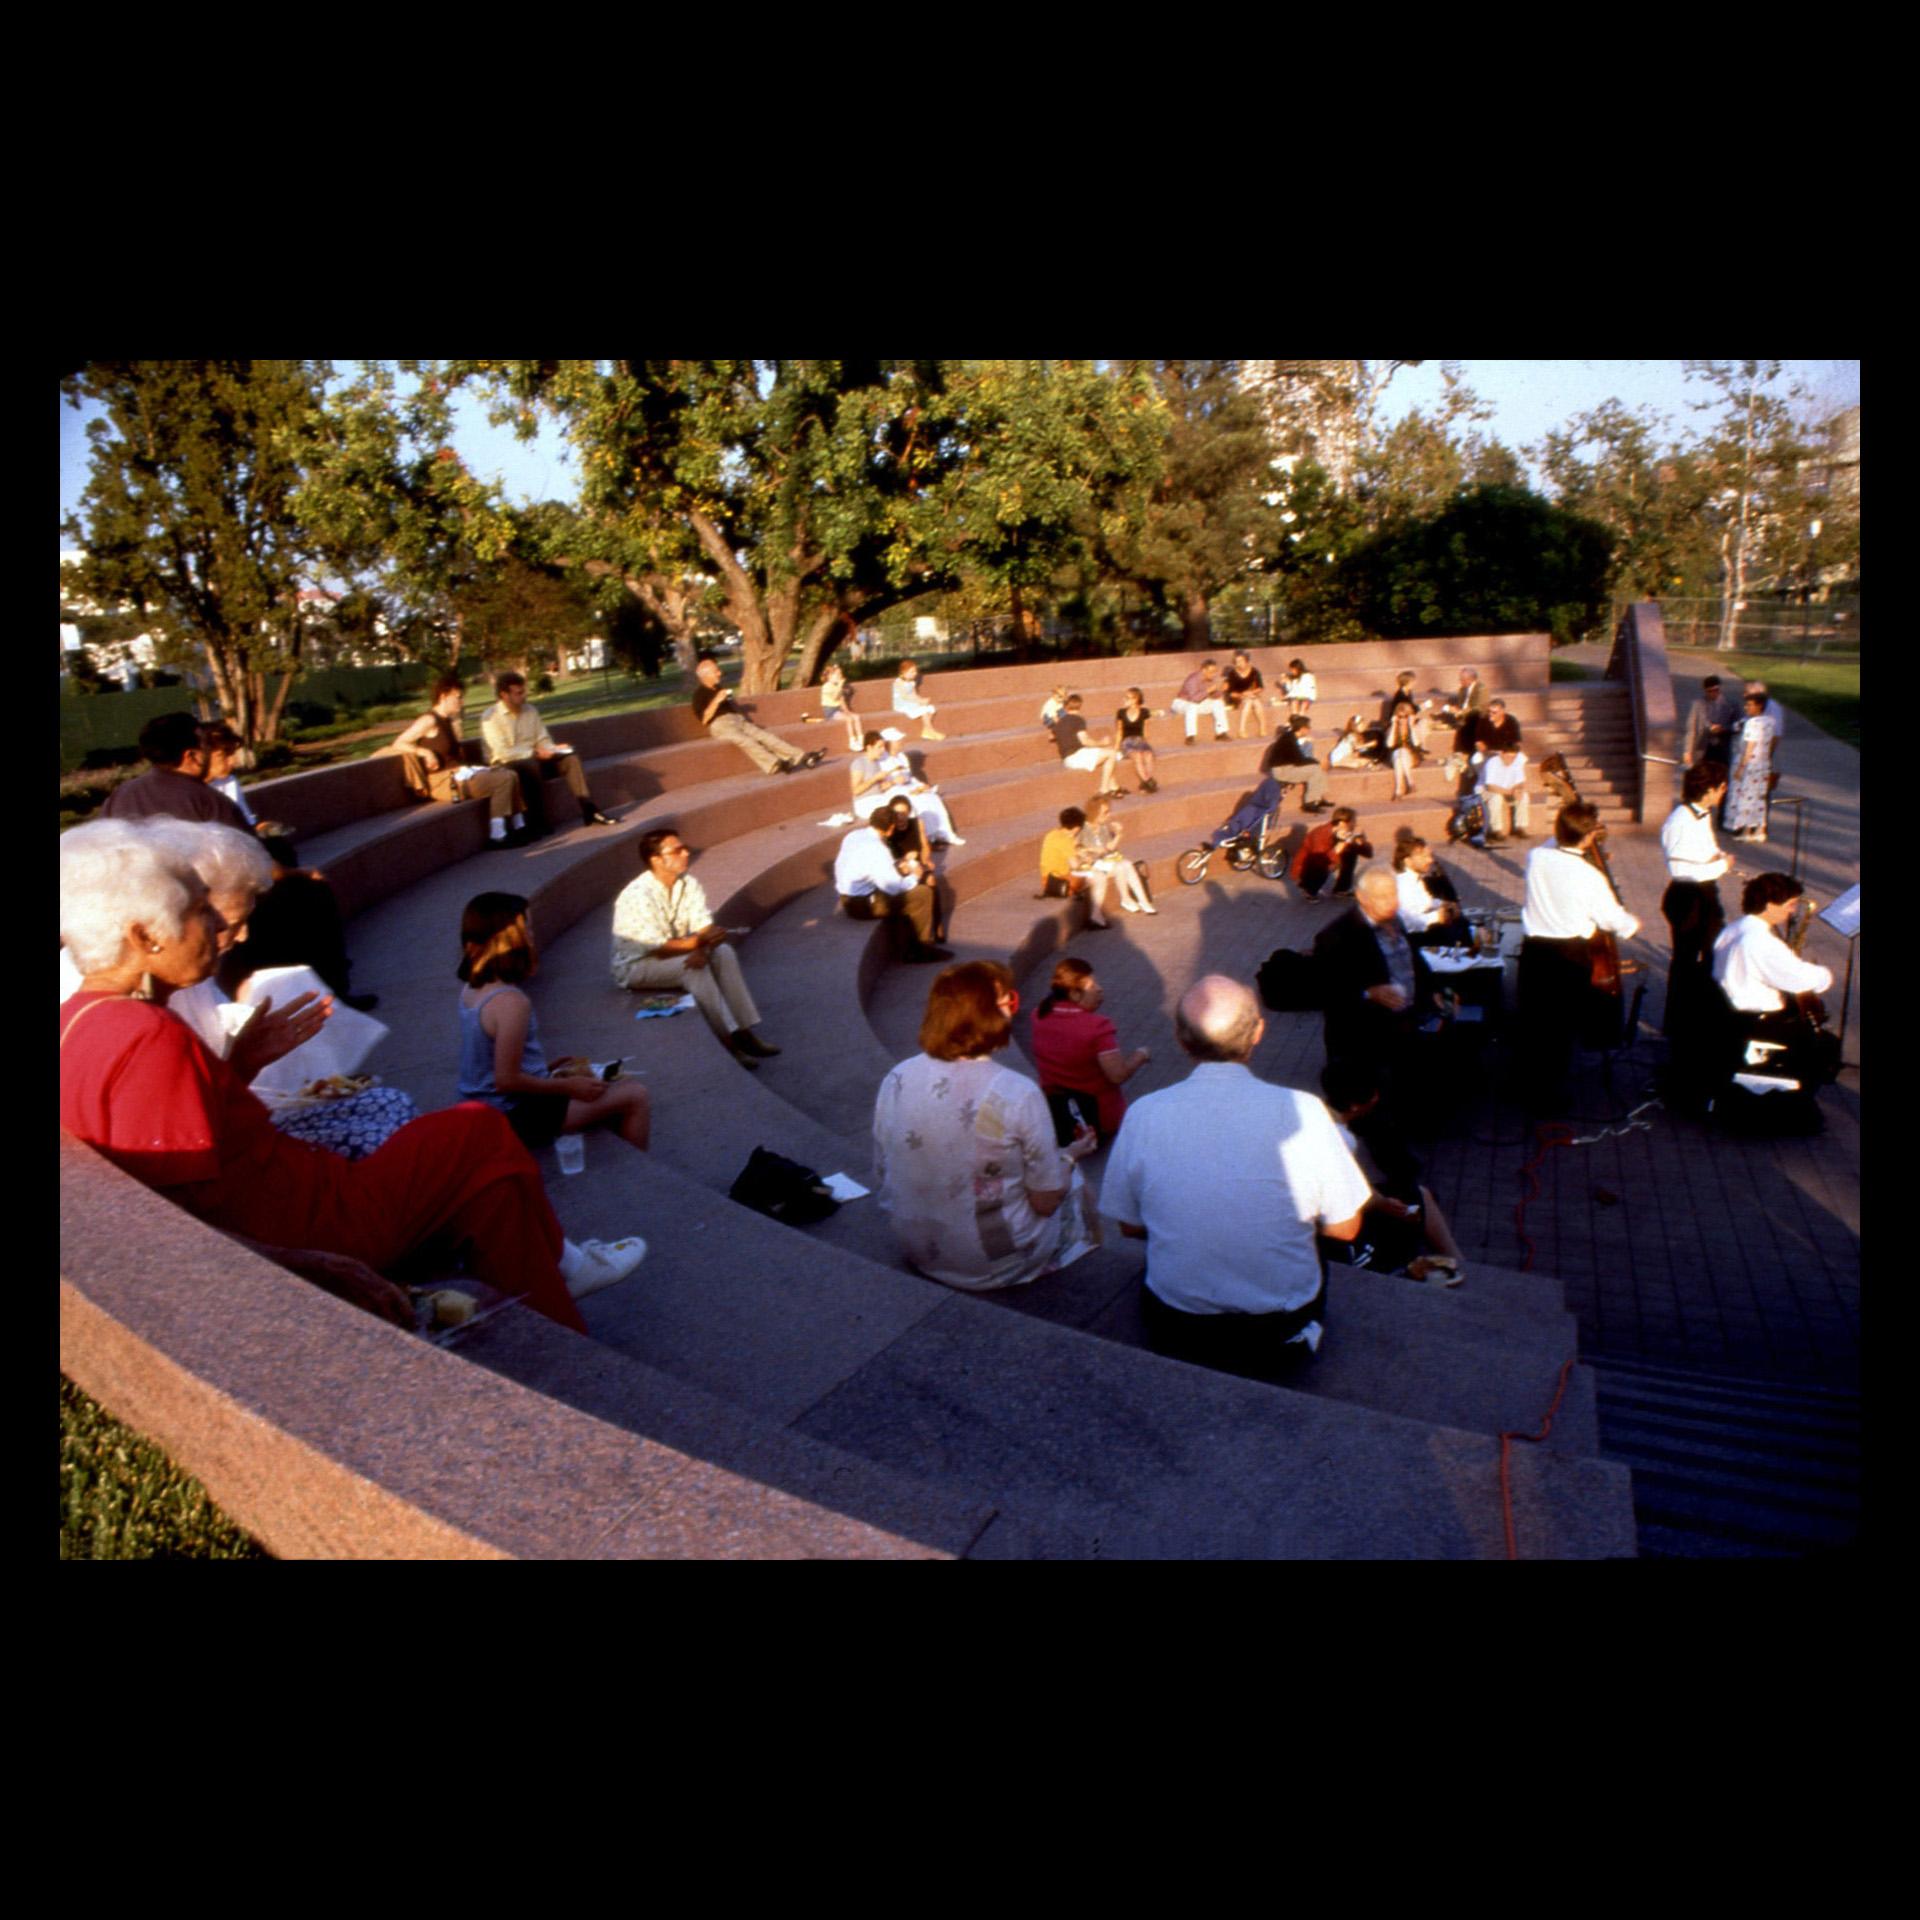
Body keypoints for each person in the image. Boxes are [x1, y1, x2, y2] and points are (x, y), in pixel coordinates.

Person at [59, 826, 627, 1333]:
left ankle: (556, 1315)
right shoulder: (148, 1037)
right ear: (146, 936)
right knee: (476, 1130)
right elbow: (174, 1221)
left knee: (490, 1186)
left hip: (298, 1198)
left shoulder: (80, 1019)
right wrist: (308, 1266)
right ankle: (562, 1287)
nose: (221, 926)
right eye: (200, 911)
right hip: (316, 1223)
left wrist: (241, 1063)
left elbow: (187, 1136)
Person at [1100, 975, 1369, 1380]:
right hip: (1280, 1330)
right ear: (1258, 1032)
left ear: (1180, 1040)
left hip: (1176, 1324)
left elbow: (1130, 1226)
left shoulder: (1143, 1113)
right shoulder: (1305, 1111)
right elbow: (1345, 1229)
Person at [114, 820, 420, 1159]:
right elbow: (187, 1134)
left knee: (395, 1105)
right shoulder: (137, 1018)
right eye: (222, 921)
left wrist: (245, 1056)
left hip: (236, 1126)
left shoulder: (181, 978)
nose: (242, 935)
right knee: (404, 1143)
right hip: (230, 1155)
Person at [103, 711, 373, 1011]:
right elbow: (257, 867)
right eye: (204, 745)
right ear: (192, 756)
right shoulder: (206, 799)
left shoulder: (120, 796)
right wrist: (300, 874)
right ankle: (334, 995)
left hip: (145, 906)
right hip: (206, 906)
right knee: (311, 895)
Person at [873, 959, 1098, 1290]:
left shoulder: (898, 1076)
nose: (1014, 1010)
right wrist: (1070, 1156)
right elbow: (1045, 1202)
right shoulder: (1017, 1092)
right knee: (1072, 1180)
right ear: (990, 1015)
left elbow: (883, 1168)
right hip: (993, 1262)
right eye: (1010, 1001)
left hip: (916, 1244)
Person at [458, 892, 654, 1166]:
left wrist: (544, 1069)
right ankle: (637, 1171)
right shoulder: (511, 1002)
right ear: (511, 940)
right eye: (527, 929)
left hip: (480, 1104)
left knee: (600, 1084)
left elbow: (492, 1062)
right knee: (635, 1095)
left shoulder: (473, 988)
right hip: (510, 1115)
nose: (532, 936)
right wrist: (566, 1086)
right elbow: (505, 1080)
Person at [610, 829, 783, 1066]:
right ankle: (727, 1040)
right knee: (693, 969)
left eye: (685, 848)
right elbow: (658, 947)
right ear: (656, 860)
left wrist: (701, 949)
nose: (685, 853)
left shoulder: (688, 883)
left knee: (723, 952)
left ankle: (745, 1032)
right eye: (677, 850)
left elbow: (704, 927)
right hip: (637, 964)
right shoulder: (638, 895)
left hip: (677, 950)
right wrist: (698, 945)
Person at [1517, 801, 1642, 1109]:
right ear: (1588, 837)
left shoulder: (1537, 857)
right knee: (1561, 1028)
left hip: (1534, 951)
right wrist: (1633, 924)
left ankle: (1526, 1085)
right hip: (1569, 954)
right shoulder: (1589, 876)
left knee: (1535, 1020)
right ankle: (1551, 1098)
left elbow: (1556, 843)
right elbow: (1611, 919)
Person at [1318, 1059, 1466, 1286]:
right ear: (1356, 1105)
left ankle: (1454, 1259)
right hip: (1336, 1234)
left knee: (1419, 1196)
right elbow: (1344, 1198)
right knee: (1418, 1199)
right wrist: (1384, 1204)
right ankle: (1458, 1263)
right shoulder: (1341, 1139)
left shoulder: (1316, 1114)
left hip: (1324, 1216)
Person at [1712, 871, 1838, 1097]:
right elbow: (1802, 979)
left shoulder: (1734, 928)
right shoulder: (1761, 942)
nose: (1792, 911)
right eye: (1790, 905)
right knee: (1825, 1044)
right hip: (1755, 1020)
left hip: (1727, 1012)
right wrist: (1825, 974)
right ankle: (1794, 1098)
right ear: (1770, 905)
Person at [1659, 761, 1734, 1110]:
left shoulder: (1702, 815)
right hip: (1689, 897)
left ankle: (1691, 1022)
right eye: (1721, 787)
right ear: (1709, 789)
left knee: (1706, 958)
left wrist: (1717, 856)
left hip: (1704, 894)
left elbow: (1704, 850)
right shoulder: (1680, 820)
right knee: (1687, 963)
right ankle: (1680, 1027)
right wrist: (1722, 866)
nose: (1724, 793)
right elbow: (1680, 869)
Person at [1312, 866, 1435, 1077]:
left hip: (1406, 1026)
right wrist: (1368, 993)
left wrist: (1436, 991)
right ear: (1362, 898)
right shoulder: (1336, 936)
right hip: (1365, 1042)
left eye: (1394, 894)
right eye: (1383, 897)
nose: (1393, 902)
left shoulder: (1394, 920)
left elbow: (1414, 960)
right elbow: (1324, 990)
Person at [390, 678, 530, 845]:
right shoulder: (429, 720)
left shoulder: (447, 721)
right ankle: (497, 835)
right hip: (443, 782)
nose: (462, 702)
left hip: (459, 775)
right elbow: (399, 742)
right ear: (443, 696)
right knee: (503, 779)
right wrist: (425, 752)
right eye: (458, 697)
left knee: (511, 775)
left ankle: (520, 827)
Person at [1028, 956, 1150, 1144]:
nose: (1099, 989)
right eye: (1092, 986)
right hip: (1098, 1120)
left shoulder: (1039, 1014)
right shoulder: (1098, 1027)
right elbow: (1117, 1075)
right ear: (1074, 994)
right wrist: (1140, 1055)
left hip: (1058, 1113)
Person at [479, 669, 618, 829]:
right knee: (530, 765)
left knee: (570, 759)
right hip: (506, 765)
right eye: (519, 693)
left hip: (535, 758)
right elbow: (502, 752)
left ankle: (589, 809)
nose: (524, 696)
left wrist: (554, 749)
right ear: (504, 695)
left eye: (524, 691)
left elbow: (542, 739)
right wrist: (534, 753)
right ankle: (537, 821)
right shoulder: (491, 717)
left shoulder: (530, 711)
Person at [835, 808, 951, 960]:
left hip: (847, 897)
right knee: (922, 893)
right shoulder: (877, 848)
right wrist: (915, 876)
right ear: (890, 829)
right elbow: (893, 888)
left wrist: (899, 864)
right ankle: (919, 950)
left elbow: (870, 867)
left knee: (907, 883)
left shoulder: (853, 835)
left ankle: (913, 941)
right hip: (861, 905)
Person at [685, 654, 823, 779]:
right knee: (746, 740)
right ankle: (776, 764)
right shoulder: (699, 695)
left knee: (765, 736)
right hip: (721, 725)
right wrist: (716, 701)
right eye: (716, 671)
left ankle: (803, 757)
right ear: (706, 675)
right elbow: (704, 719)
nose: (720, 673)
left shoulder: (718, 688)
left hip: (737, 720)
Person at [850, 731, 963, 845]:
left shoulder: (876, 763)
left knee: (929, 798)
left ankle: (942, 834)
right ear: (869, 747)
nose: (883, 750)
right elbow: (856, 790)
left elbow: (882, 787)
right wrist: (876, 778)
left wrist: (900, 783)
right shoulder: (859, 763)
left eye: (883, 746)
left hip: (880, 797)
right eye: (879, 747)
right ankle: (921, 841)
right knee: (907, 806)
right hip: (866, 802)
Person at [1074, 795, 1156, 916]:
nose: (1108, 815)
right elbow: (1076, 848)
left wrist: (1119, 834)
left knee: (1126, 864)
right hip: (1091, 866)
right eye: (1105, 812)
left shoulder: (1103, 827)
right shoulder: (1083, 829)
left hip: (1104, 863)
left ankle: (1141, 901)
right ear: (1095, 813)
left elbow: (1110, 848)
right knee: (1122, 866)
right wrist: (1092, 850)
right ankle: (1127, 899)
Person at [1724, 692, 1777, 842]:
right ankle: (1757, 828)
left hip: (1749, 765)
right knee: (1758, 796)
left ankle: (1742, 828)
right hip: (1762, 764)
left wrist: (1741, 767)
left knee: (1743, 795)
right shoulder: (1770, 721)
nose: (1746, 707)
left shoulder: (1752, 724)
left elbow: (1750, 746)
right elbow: (1770, 742)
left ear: (1759, 706)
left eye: (1750, 705)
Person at [1393, 836, 1464, 945]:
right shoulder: (1403, 885)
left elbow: (1424, 902)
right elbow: (1407, 923)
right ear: (1408, 861)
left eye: (1430, 856)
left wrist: (1444, 903)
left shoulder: (1416, 879)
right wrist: (1437, 916)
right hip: (1417, 939)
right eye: (1423, 856)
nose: (1430, 860)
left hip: (1426, 932)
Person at [1050, 695, 1125, 795]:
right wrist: (1102, 743)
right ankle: (1103, 789)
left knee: (1108, 753)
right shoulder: (1078, 720)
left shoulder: (1059, 722)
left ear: (1065, 707)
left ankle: (1114, 787)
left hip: (1068, 758)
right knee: (1111, 753)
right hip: (1076, 756)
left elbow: (1051, 736)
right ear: (1080, 706)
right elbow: (1085, 741)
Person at [1292, 807, 1371, 901]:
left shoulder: (1344, 833)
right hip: (1305, 869)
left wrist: (1362, 843)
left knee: (1351, 853)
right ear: (1342, 823)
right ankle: (1309, 890)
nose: (1355, 824)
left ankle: (1341, 889)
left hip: (1324, 860)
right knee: (1325, 866)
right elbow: (1320, 861)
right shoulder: (1321, 834)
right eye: (1353, 821)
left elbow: (1368, 854)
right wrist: (1337, 850)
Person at [1260, 714, 1330, 811]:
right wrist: (1318, 762)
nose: (1310, 729)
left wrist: (1317, 763)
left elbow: (1298, 760)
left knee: (1318, 768)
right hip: (1281, 771)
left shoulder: (1291, 737)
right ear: (1302, 729)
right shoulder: (1288, 740)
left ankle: (1318, 798)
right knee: (1315, 770)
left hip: (1288, 767)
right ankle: (1309, 803)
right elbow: (1299, 761)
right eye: (1308, 727)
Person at [1684, 675, 1739, 770]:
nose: (1713, 693)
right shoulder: (1698, 704)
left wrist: (1724, 729)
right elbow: (1691, 729)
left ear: (1720, 688)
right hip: (1703, 748)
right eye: (1710, 691)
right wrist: (1688, 751)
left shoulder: (1731, 704)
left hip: (1722, 748)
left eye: (1716, 690)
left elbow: (1739, 725)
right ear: (1705, 691)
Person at [1478, 743, 1532, 841]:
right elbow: (1490, 786)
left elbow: (1521, 782)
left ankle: (1520, 827)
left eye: (1513, 757)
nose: (1510, 760)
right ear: (1501, 754)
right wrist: (1511, 792)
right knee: (1496, 798)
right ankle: (1496, 830)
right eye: (1508, 757)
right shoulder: (1492, 763)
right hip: (1486, 791)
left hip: (1507, 790)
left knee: (1524, 796)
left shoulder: (1517, 761)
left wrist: (1518, 789)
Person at [1113, 686, 1160, 792]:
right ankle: (1148, 781)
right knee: (1137, 756)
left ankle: (1147, 782)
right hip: (1127, 742)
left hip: (1140, 740)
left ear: (1135, 699)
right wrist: (1116, 748)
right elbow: (1119, 731)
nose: (1124, 700)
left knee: (1148, 755)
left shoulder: (1144, 712)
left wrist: (1146, 745)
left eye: (1127, 698)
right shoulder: (1120, 713)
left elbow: (1146, 731)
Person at [1171, 660, 1229, 743]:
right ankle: (1190, 736)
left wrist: (1222, 690)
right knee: (1192, 706)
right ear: (1204, 670)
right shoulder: (1192, 679)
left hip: (1198, 704)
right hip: (1182, 703)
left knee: (1218, 703)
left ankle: (1221, 733)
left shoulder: (1210, 679)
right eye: (1211, 671)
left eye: (1215, 671)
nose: (1214, 674)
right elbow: (1194, 699)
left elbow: (1214, 696)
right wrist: (1208, 691)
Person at [1437, 667, 1488, 754]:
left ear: (1470, 679)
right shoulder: (1463, 689)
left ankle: (1464, 751)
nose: (1460, 682)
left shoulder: (1481, 689)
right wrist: (1455, 709)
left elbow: (1479, 708)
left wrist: (1460, 712)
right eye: (1460, 679)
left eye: (1462, 679)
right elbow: (1462, 704)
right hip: (1462, 716)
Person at [890, 660, 945, 740]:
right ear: (904, 672)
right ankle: (929, 730)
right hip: (902, 704)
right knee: (923, 710)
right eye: (912, 672)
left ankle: (927, 730)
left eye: (915, 671)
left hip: (911, 702)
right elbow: (904, 696)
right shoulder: (899, 682)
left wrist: (921, 700)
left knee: (929, 708)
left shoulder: (912, 682)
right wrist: (918, 701)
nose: (915, 673)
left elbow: (914, 694)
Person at [818, 661, 864, 753]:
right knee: (849, 719)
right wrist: (840, 685)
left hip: (838, 710)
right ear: (829, 677)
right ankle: (852, 741)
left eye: (840, 675)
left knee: (856, 717)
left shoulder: (837, 686)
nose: (839, 677)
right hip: (831, 712)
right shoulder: (826, 687)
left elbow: (841, 700)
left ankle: (860, 740)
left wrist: (847, 711)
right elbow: (835, 696)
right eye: (837, 675)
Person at [1384, 694, 1423, 800]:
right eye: (1399, 717)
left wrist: (1411, 726)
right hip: (1396, 756)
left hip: (1412, 756)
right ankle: (1410, 783)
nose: (1402, 719)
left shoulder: (1413, 727)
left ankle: (1398, 790)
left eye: (1405, 717)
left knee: (1401, 753)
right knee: (1399, 754)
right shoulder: (1393, 727)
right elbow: (1389, 744)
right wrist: (1394, 725)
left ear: (1409, 716)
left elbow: (1416, 743)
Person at [1224, 652, 1268, 737]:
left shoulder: (1254, 671)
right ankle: (1242, 730)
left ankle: (1262, 728)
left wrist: (1251, 693)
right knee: (1249, 701)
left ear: (1247, 661)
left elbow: (1260, 687)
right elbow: (1230, 693)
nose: (1239, 663)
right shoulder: (1232, 674)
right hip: (1237, 698)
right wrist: (1242, 695)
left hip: (1251, 696)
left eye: (1241, 661)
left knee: (1255, 701)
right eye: (1237, 661)